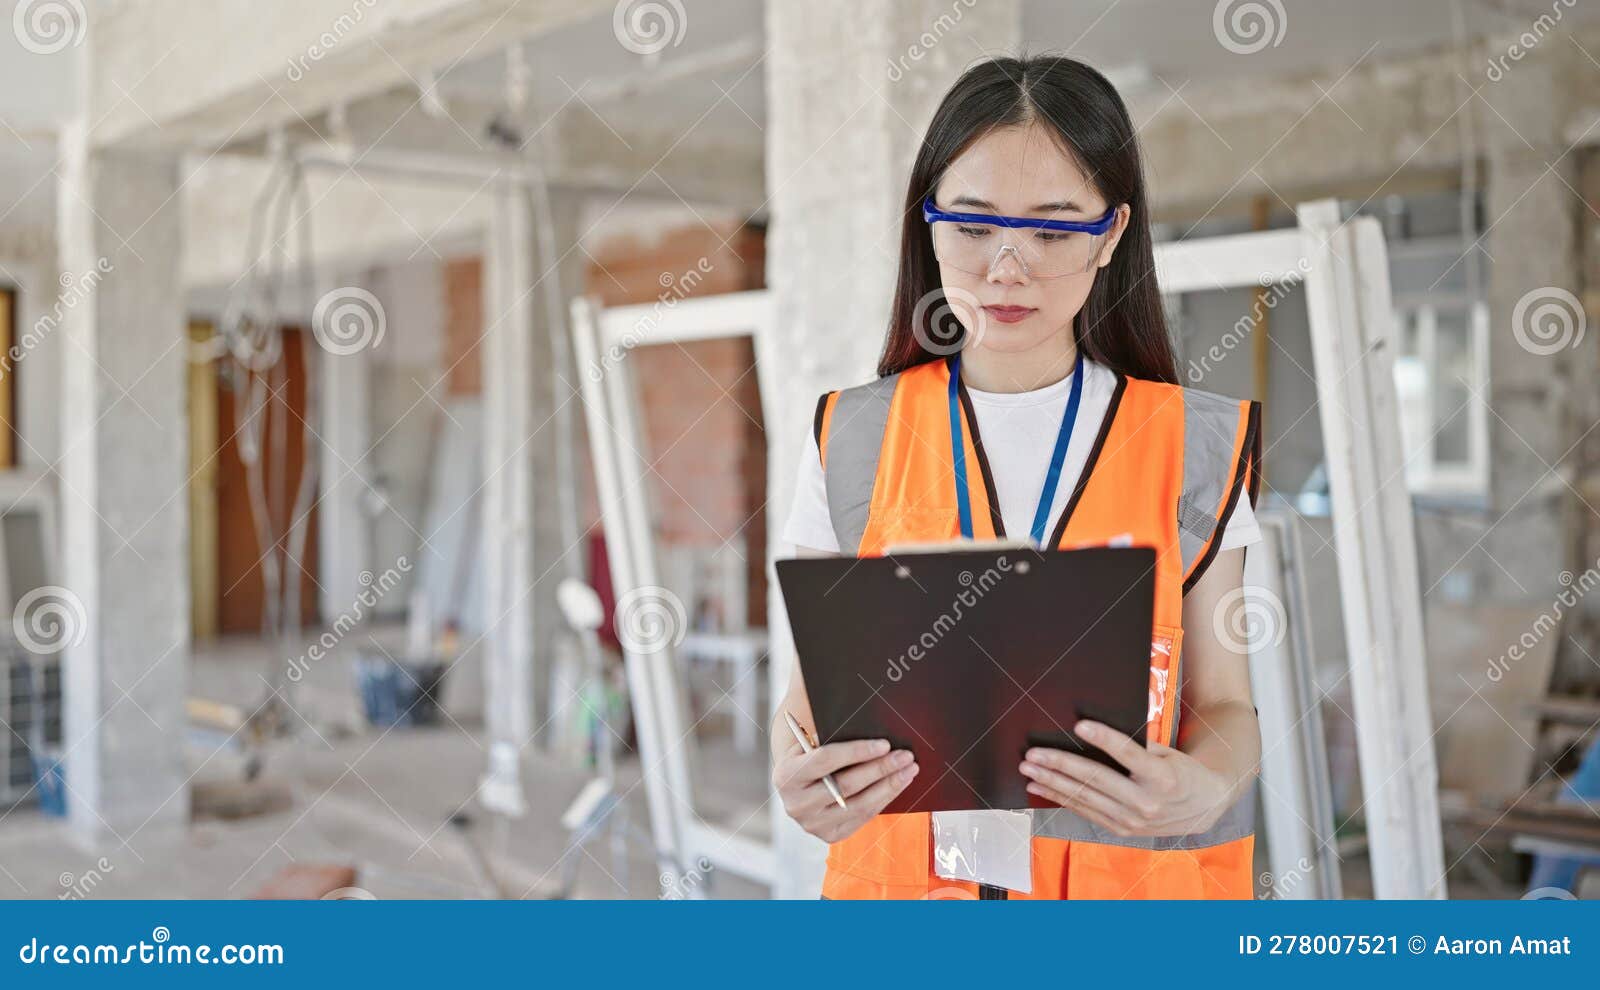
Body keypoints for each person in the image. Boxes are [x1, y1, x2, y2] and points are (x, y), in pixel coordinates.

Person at [770, 53, 1265, 900]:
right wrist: (796, 775)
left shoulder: (1193, 444)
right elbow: (804, 709)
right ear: (925, 224)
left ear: (1110, 235)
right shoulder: (851, 436)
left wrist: (1207, 783)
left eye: (1051, 229)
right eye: (971, 226)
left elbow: (1227, 706)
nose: (1006, 268)